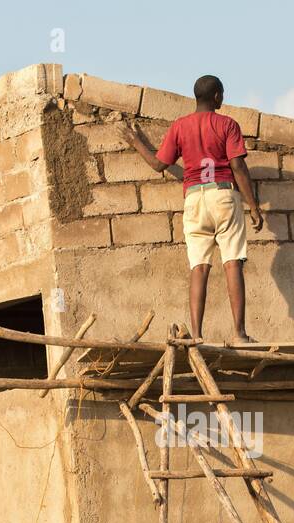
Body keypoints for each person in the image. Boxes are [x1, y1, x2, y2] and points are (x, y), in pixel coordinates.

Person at [121, 74, 264, 343]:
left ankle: (196, 335)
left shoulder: (179, 126)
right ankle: (239, 333)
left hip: (194, 199)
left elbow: (158, 165)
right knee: (232, 264)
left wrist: (135, 141)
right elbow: (238, 166)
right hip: (223, 195)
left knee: (199, 267)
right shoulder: (228, 125)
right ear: (218, 96)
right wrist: (253, 205)